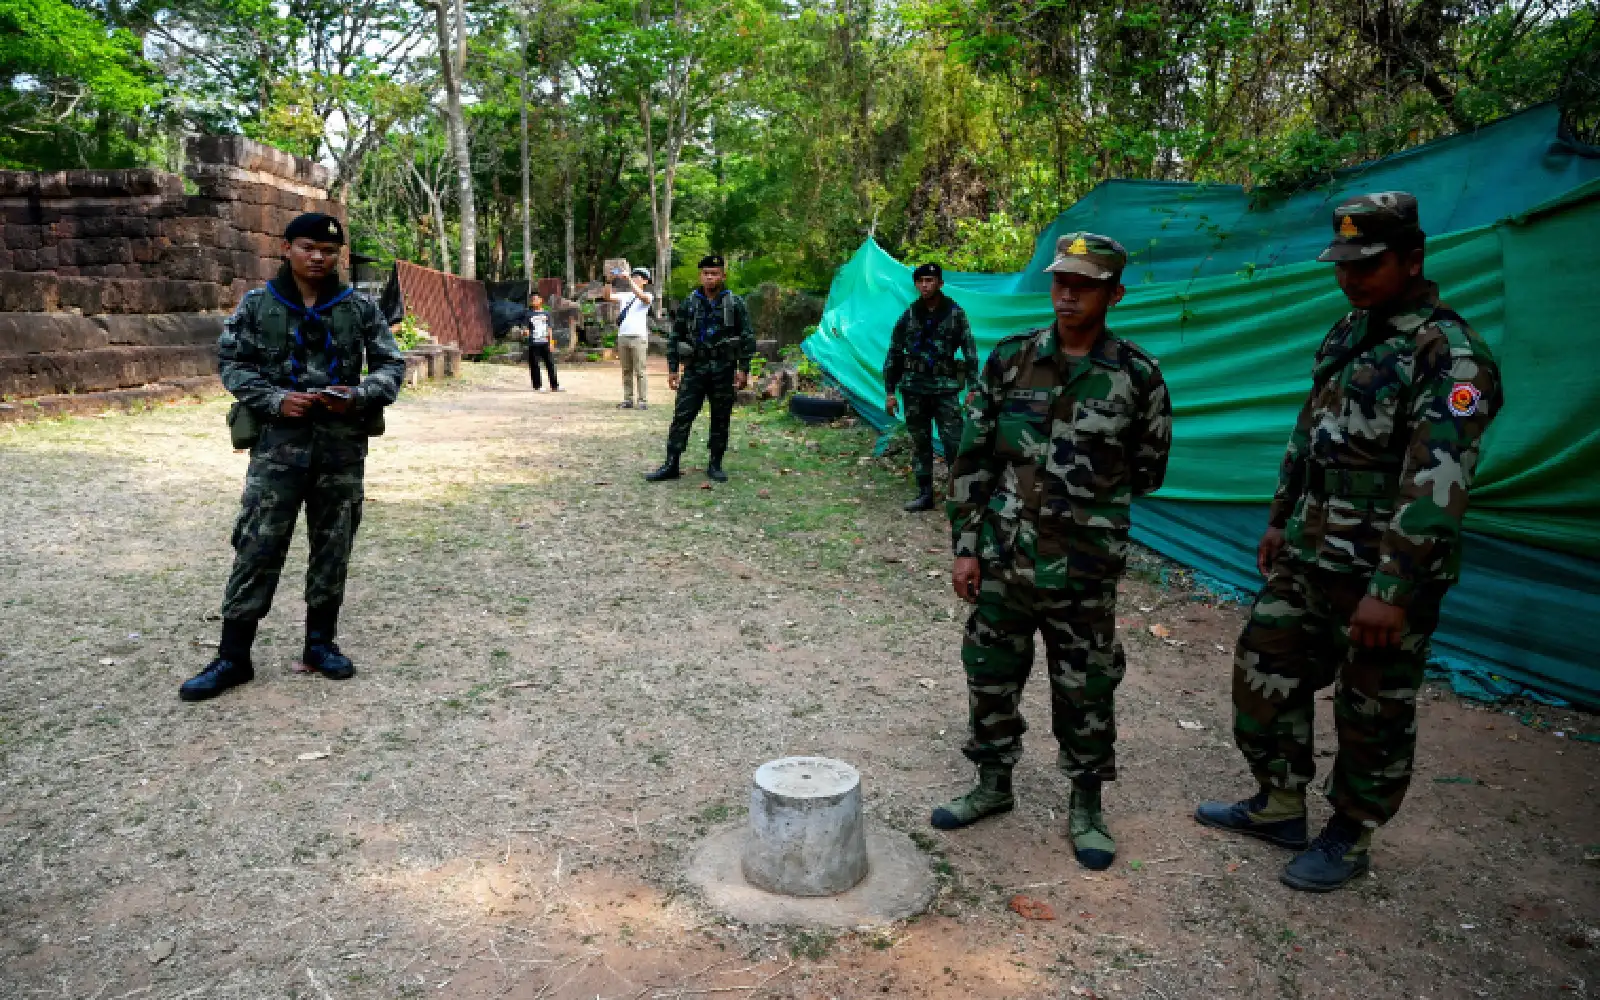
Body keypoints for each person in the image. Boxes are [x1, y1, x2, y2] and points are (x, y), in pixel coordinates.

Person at [1195, 192, 1502, 892]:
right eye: (1343, 264)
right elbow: (1309, 438)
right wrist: (1279, 519)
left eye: (1368, 264)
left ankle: (1352, 833)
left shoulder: (1451, 358)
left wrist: (1391, 593)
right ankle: (1278, 803)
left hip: (1382, 579)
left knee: (1372, 710)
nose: (1350, 277)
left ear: (1413, 258)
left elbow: (1438, 484)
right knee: (1262, 669)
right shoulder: (1346, 335)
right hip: (1311, 554)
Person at [933, 233, 1172, 873]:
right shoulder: (1010, 360)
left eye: (1085, 284)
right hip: (1004, 558)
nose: (1068, 293)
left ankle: (1086, 804)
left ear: (1113, 293)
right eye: (1061, 280)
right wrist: (965, 547)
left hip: (1084, 569)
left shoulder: (1138, 377)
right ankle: (992, 784)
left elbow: (1148, 470)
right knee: (989, 672)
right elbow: (973, 460)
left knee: (1086, 687)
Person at [178, 212, 406, 702]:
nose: (319, 257)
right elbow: (231, 362)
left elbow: (392, 363)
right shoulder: (259, 305)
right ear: (287, 249)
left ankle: (320, 645)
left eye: (328, 251)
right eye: (308, 247)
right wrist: (273, 399)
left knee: (332, 547)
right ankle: (233, 657)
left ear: (338, 255)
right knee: (258, 546)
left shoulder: (359, 308)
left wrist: (360, 394)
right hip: (277, 449)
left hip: (340, 450)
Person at [645, 254, 755, 483]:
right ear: (700, 275)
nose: (710, 277)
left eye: (714, 273)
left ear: (723, 276)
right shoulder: (689, 302)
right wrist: (673, 369)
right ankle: (671, 463)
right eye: (706, 273)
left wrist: (743, 369)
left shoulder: (734, 303)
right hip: (694, 369)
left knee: (720, 417)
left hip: (723, 369)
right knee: (682, 416)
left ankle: (715, 463)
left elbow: (746, 337)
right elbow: (676, 336)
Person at [883, 262, 979, 512]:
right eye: (921, 281)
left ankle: (959, 495)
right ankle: (925, 494)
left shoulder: (956, 314)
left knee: (954, 443)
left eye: (930, 280)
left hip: (945, 390)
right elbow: (894, 353)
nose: (925, 285)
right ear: (916, 284)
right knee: (920, 443)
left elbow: (970, 352)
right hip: (914, 389)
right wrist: (890, 392)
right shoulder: (909, 315)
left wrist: (973, 388)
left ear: (940, 283)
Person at [602, 266, 654, 409]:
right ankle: (628, 399)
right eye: (634, 276)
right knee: (626, 370)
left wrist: (629, 279)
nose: (635, 278)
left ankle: (642, 400)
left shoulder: (648, 295)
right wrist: (608, 281)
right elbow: (607, 297)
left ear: (645, 281)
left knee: (640, 370)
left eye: (638, 277)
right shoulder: (625, 295)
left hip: (638, 337)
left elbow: (642, 297)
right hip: (623, 336)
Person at [522, 291, 561, 392]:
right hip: (534, 342)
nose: (533, 301)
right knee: (535, 364)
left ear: (541, 300)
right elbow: (525, 328)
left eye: (535, 299)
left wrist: (551, 342)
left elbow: (549, 329)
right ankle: (538, 386)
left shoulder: (546, 313)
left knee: (550, 364)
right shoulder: (528, 314)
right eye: (532, 300)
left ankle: (555, 385)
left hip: (545, 342)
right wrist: (525, 332)